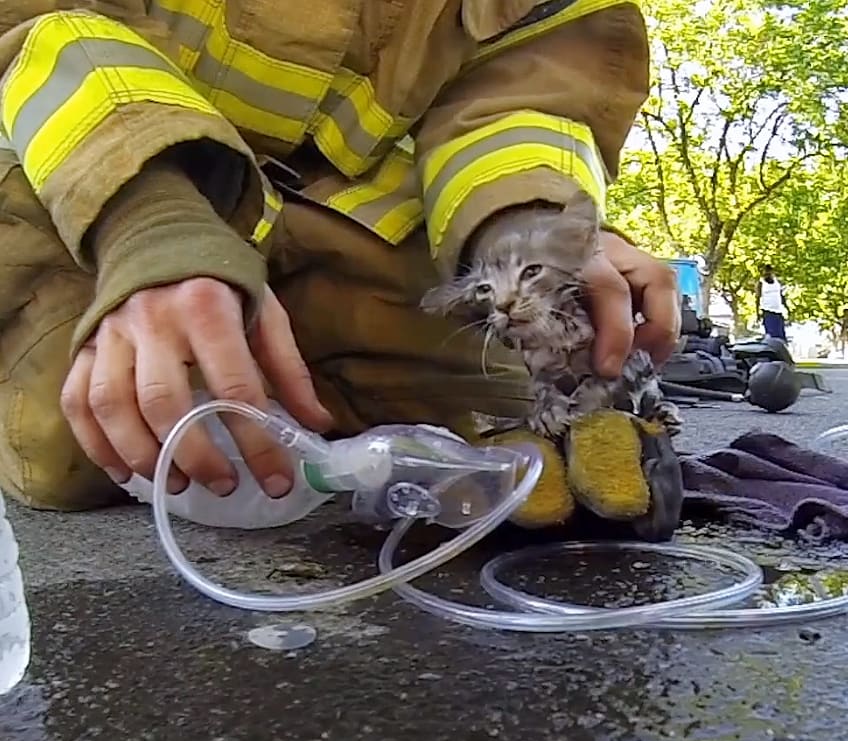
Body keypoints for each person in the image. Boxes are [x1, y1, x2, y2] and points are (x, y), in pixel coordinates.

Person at [0, 1, 681, 531]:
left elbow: (526, 93)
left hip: (340, 216)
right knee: (86, 427)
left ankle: (295, 381)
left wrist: (527, 229)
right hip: (73, 176)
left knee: (500, 399)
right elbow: (29, 31)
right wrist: (153, 233)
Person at [756, 265, 789, 342]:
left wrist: (787, 308)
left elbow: (781, 296)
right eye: (766, 272)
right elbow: (757, 298)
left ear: (772, 272)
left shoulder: (777, 283)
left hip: (778, 312)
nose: (767, 274)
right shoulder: (761, 283)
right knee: (771, 335)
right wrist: (757, 313)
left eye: (769, 272)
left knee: (781, 335)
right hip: (767, 312)